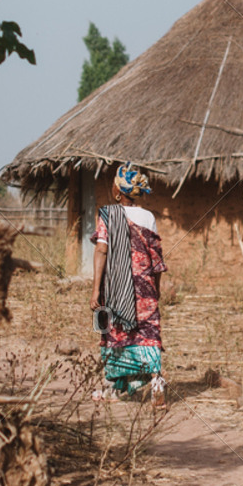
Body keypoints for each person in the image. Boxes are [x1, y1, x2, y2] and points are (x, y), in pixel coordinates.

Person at [89, 163, 168, 407]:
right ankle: (155, 382)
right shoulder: (149, 217)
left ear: (118, 192)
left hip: (115, 288)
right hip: (144, 287)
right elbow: (156, 260)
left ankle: (115, 386)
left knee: (117, 334)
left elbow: (102, 251)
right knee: (146, 334)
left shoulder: (109, 214)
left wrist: (95, 289)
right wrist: (156, 290)